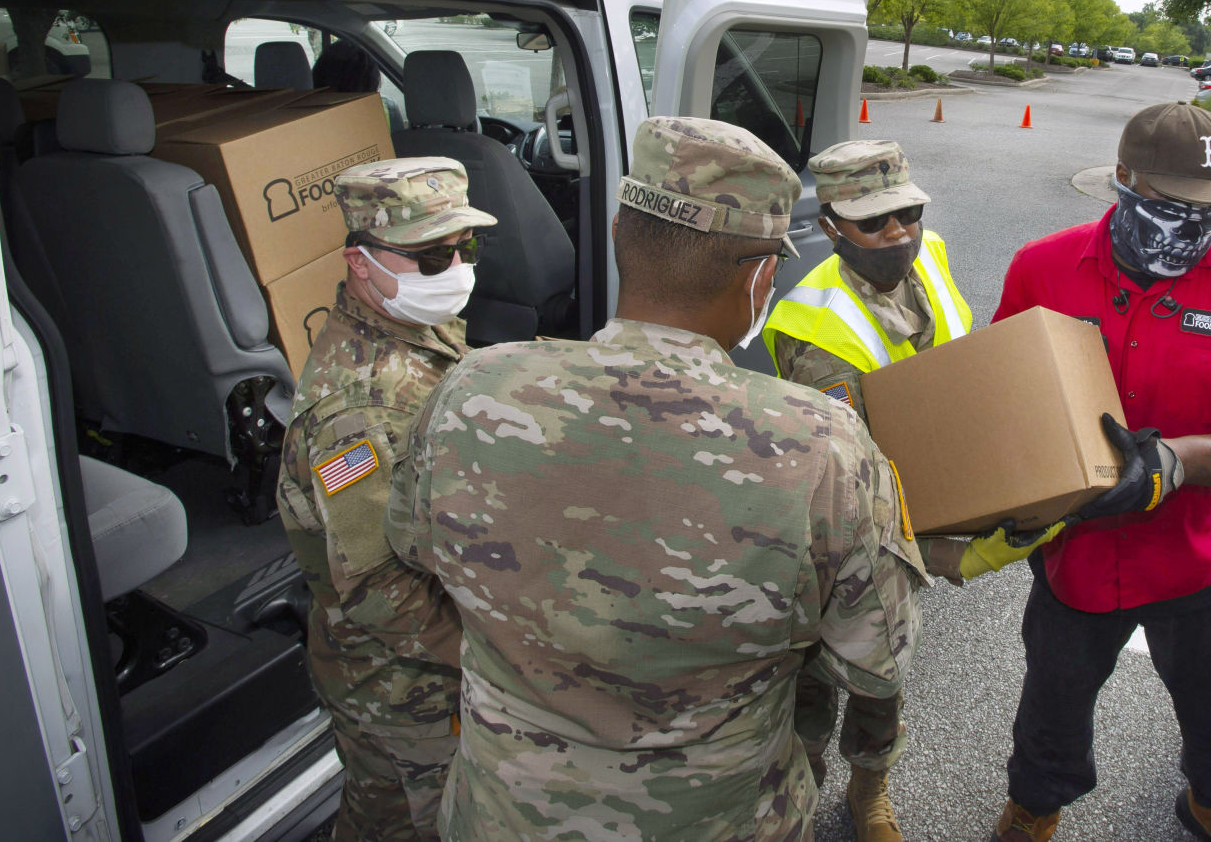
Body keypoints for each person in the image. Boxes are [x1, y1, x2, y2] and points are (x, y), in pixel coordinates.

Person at [389, 116, 929, 842]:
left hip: (502, 815)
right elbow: (875, 658)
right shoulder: (821, 446)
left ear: (618, 233)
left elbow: (413, 550)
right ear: (763, 273)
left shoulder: (470, 388)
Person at [988, 102, 1211, 842]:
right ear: (1121, 179)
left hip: (1201, 562)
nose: (1188, 223)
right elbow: (1004, 392)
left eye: (1206, 206)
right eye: (1168, 203)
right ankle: (1033, 807)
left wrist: (1180, 459)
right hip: (1074, 555)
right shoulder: (1043, 266)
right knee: (1052, 705)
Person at [275, 155, 497, 842]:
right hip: (402, 687)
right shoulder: (358, 412)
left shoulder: (411, 332)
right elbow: (376, 588)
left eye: (465, 247)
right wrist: (505, 658)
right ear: (361, 263)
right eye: (430, 257)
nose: (455, 268)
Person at [763, 139, 973, 842]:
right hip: (844, 534)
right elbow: (835, 475)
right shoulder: (813, 330)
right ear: (828, 225)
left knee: (883, 678)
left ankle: (869, 788)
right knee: (817, 678)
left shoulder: (928, 254)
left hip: (924, 498)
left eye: (907, 213)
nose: (900, 234)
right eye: (874, 223)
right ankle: (801, 788)